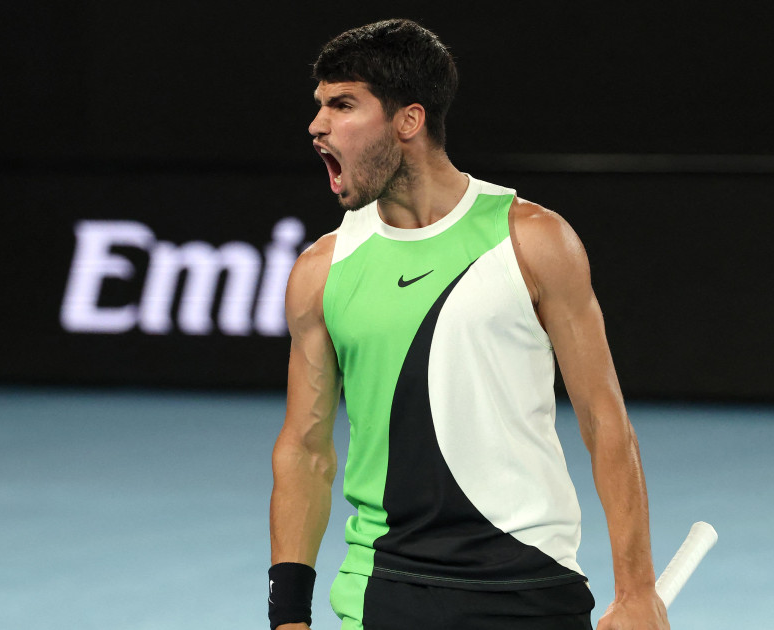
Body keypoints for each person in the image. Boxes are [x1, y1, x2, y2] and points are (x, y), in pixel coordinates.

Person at [269, 18, 669, 630]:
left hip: (529, 582)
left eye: (343, 104)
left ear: (409, 120)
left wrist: (636, 588)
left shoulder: (533, 240)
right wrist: (288, 615)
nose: (317, 125)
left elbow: (603, 419)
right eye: (319, 105)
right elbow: (305, 449)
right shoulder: (320, 270)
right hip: (385, 587)